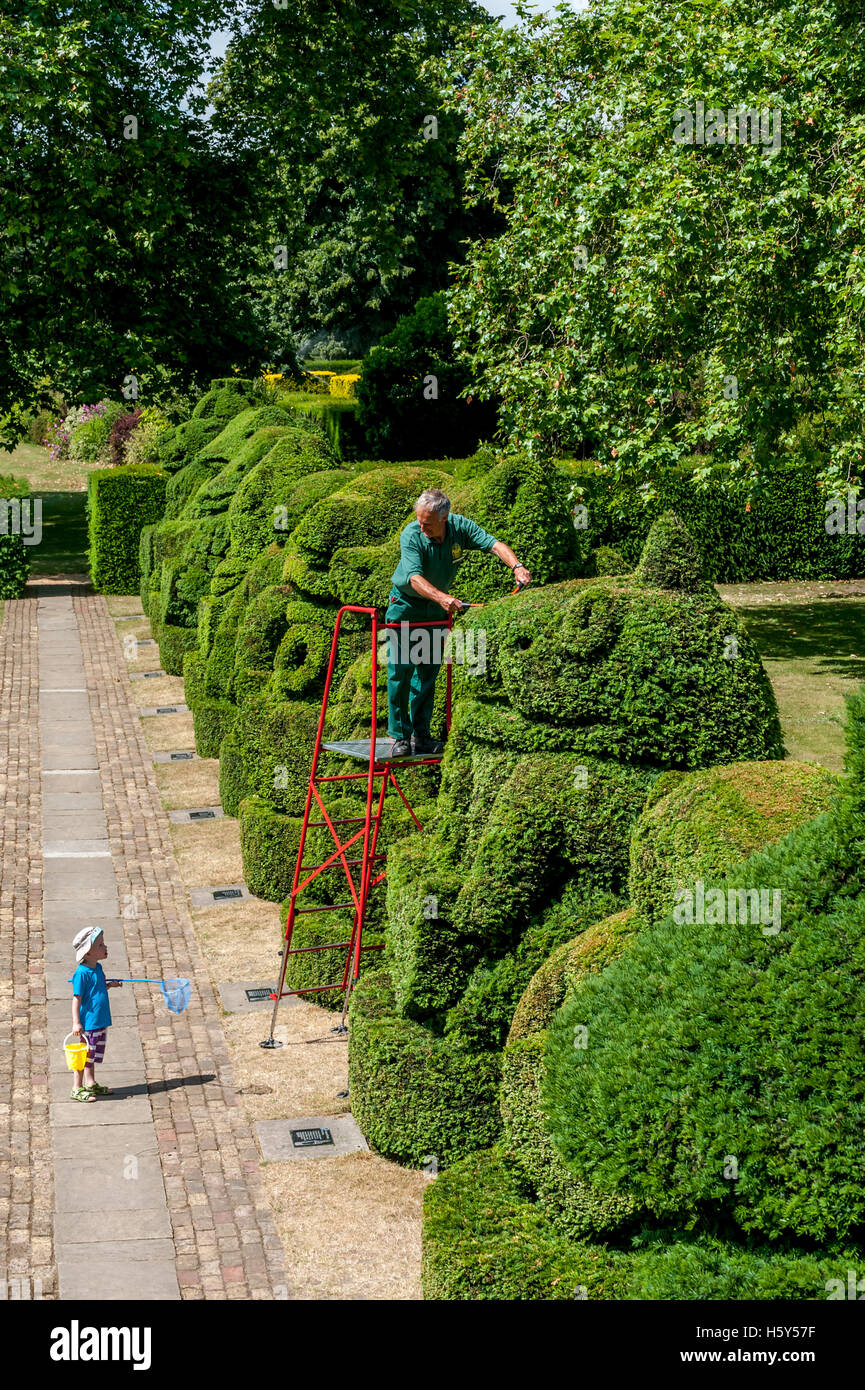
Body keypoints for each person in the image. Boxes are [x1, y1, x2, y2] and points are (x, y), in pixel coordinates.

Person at [386, 488, 531, 756]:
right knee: (400, 671)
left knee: (427, 675)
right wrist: (442, 598)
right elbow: (414, 579)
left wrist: (517, 566)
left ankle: (421, 736)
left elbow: (494, 545)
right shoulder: (411, 534)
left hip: (435, 612)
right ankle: (400, 737)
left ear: (444, 518)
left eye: (427, 522)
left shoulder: (460, 527)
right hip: (406, 608)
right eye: (419, 520)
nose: (422, 526)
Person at [70, 926, 123, 1101]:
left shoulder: (98, 968)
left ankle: (90, 1083)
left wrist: (110, 985)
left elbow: (97, 989)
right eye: (100, 945)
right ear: (88, 953)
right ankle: (77, 1087)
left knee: (93, 1055)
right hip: (90, 1022)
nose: (105, 947)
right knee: (85, 1055)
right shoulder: (81, 974)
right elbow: (76, 999)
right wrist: (76, 1022)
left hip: (100, 1020)